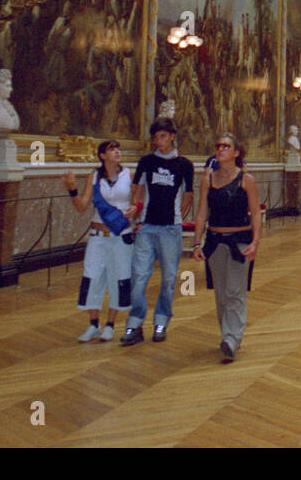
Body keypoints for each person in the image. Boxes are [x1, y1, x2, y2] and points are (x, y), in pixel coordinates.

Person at [123, 117, 194, 345]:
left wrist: (178, 217)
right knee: (138, 277)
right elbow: (137, 190)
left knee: (170, 278)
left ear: (172, 137)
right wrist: (137, 216)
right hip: (147, 227)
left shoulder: (184, 165)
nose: (158, 140)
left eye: (162, 136)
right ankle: (134, 325)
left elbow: (188, 195)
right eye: (155, 137)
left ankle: (162, 321)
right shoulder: (146, 162)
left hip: (170, 230)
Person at [61, 139, 138, 342]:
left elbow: (139, 200)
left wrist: (136, 208)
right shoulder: (94, 177)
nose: (117, 152)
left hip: (121, 235)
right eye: (112, 149)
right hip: (98, 237)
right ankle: (93, 324)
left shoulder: (129, 175)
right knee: (92, 277)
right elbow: (81, 206)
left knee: (119, 278)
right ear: (102, 155)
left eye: (118, 149)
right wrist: (71, 188)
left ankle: (110, 325)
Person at [193, 133, 260, 362]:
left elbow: (256, 213)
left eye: (226, 146)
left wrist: (255, 242)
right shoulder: (208, 180)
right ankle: (227, 335)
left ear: (236, 152)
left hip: (239, 241)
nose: (221, 149)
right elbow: (202, 212)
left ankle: (232, 339)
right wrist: (196, 242)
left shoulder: (246, 180)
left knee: (235, 292)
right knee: (221, 294)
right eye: (218, 146)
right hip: (214, 242)